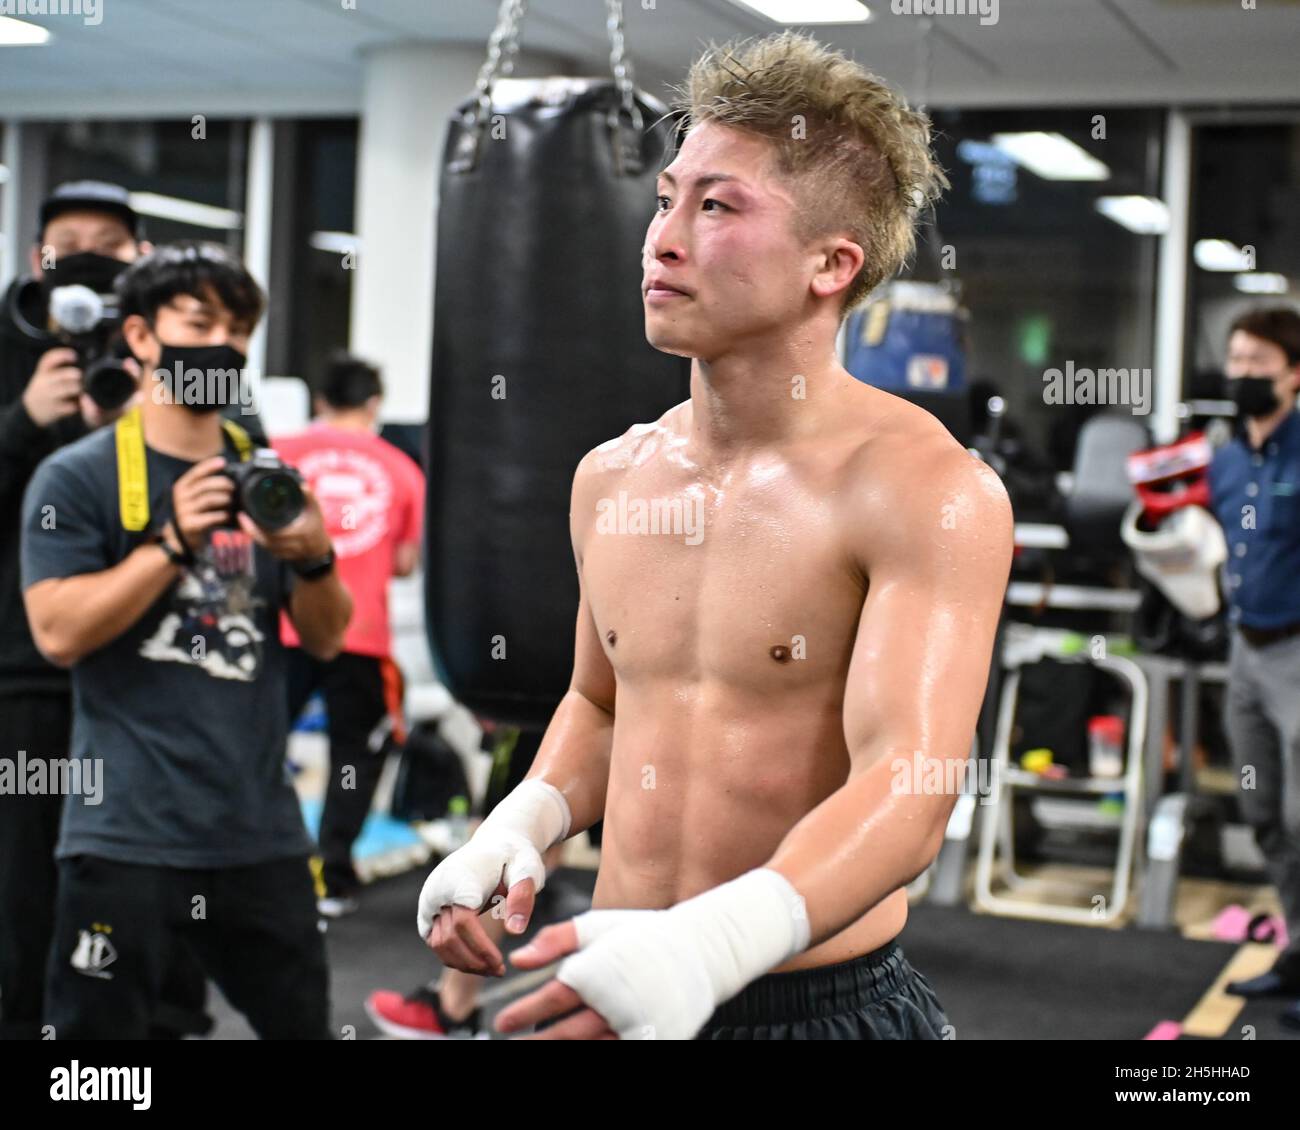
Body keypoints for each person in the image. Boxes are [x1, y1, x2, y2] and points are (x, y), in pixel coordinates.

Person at [417, 31, 1013, 1040]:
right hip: (620, 974)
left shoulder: (924, 488)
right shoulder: (611, 477)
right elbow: (600, 703)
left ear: (833, 263)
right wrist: (520, 823)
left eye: (717, 205)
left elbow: (906, 791)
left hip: (809, 1002)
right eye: (663, 199)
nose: (662, 237)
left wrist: (712, 942)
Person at [20, 241, 352, 1039]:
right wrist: (167, 547)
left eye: (239, 328)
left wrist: (312, 556)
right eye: (201, 321)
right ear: (139, 337)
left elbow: (327, 638)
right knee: (98, 1068)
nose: (225, 344)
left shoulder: (266, 477)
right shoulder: (78, 477)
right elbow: (58, 632)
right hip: (126, 833)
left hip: (257, 831)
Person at [0, 181, 150, 1039]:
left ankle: (145, 1036)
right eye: (68, 241)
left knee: (131, 889)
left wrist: (130, 418)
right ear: (37, 259)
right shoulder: (5, 345)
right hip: (26, 672)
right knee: (24, 887)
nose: (87, 254)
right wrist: (22, 422)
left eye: (108, 242)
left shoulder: (165, 351)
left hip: (141, 672)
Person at [273, 352, 425, 917]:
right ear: (373, 405)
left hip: (283, 629)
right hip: (359, 634)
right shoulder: (402, 469)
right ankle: (331, 877)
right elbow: (406, 562)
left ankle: (257, 870)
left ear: (319, 402)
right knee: (351, 757)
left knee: (258, 746)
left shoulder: (279, 455)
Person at [1209, 305, 1300, 1032]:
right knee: (1264, 813)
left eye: (1257, 365)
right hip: (1245, 650)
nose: (1241, 375)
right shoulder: (1226, 454)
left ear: (1294, 375)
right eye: (1235, 361)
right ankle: (1297, 952)